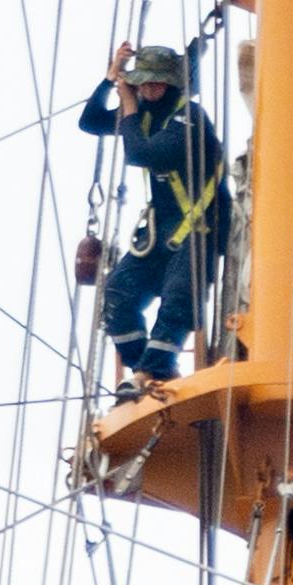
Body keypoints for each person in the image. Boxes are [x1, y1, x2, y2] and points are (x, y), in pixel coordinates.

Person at [79, 43, 230, 382]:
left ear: (171, 85)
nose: (148, 89)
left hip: (198, 228)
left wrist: (129, 106)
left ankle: (153, 369)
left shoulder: (189, 118)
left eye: (156, 83)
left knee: (179, 297)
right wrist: (109, 80)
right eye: (143, 83)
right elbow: (89, 122)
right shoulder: (143, 116)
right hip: (161, 228)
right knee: (118, 293)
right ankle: (147, 370)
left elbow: (141, 153)